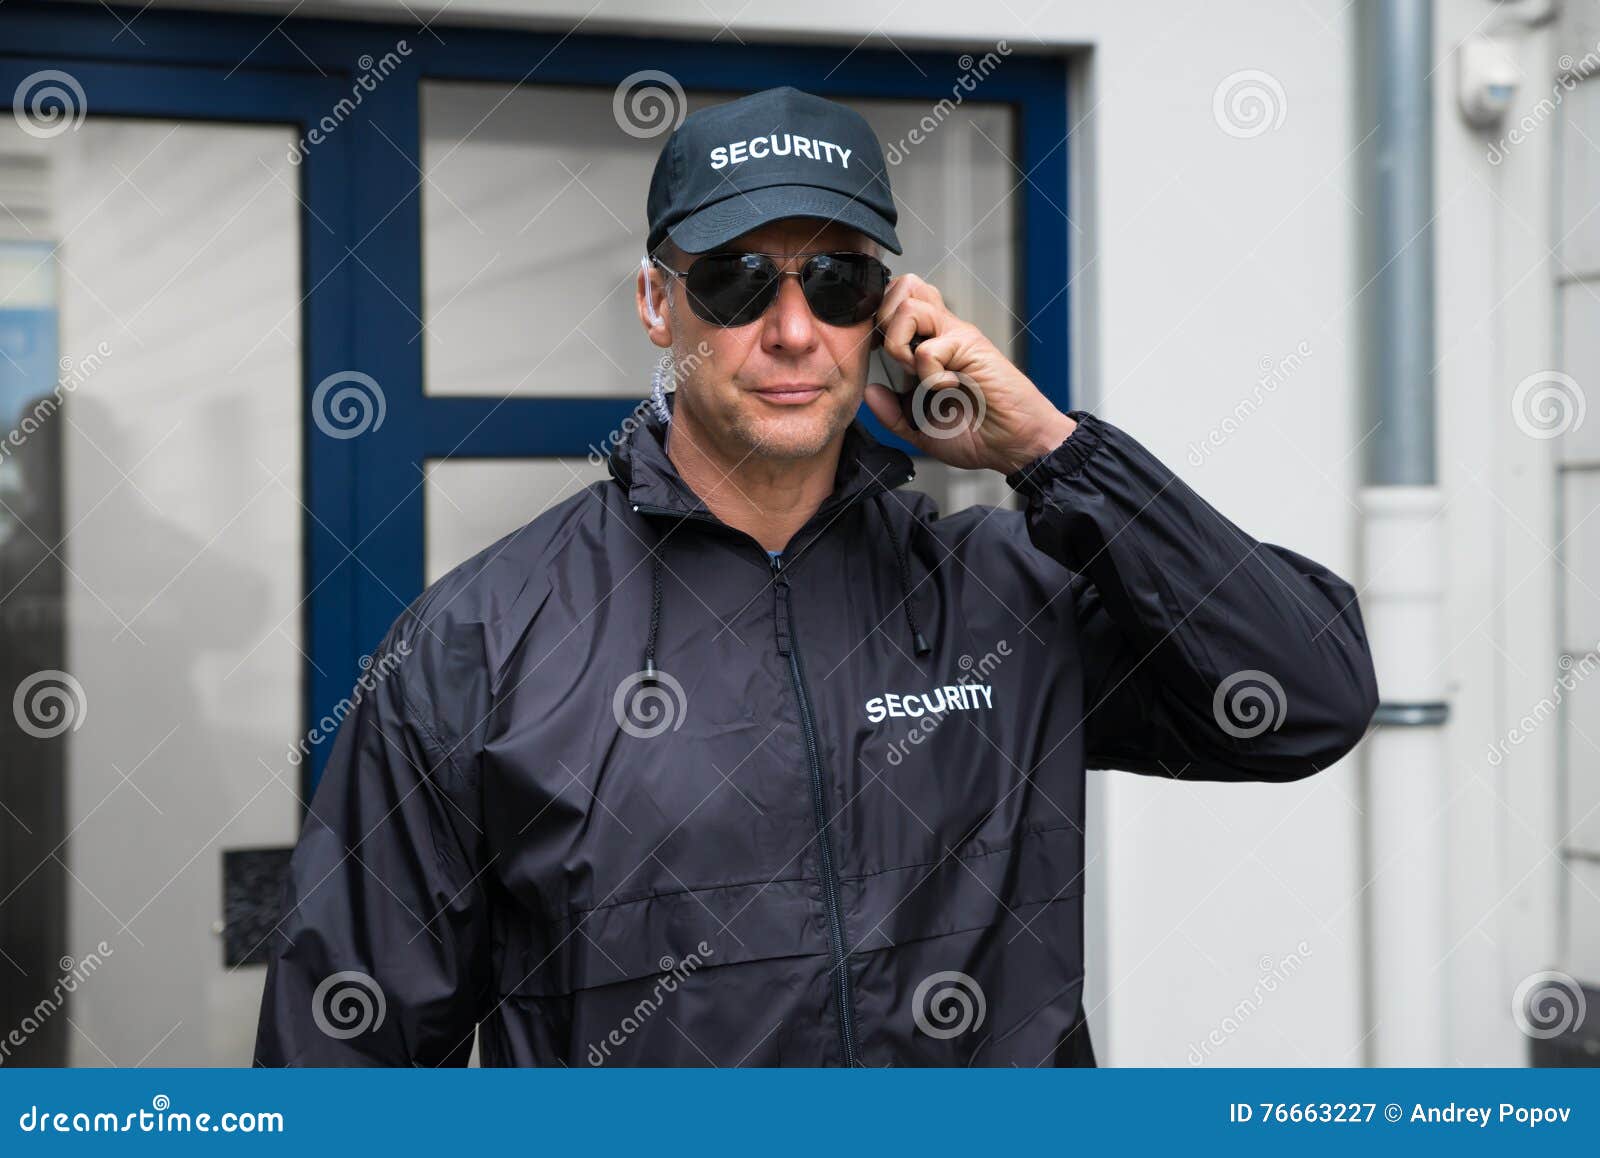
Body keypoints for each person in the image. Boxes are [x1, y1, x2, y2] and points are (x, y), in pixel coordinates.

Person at [254, 86, 1378, 1067]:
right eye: (738, 282)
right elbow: (344, 1059)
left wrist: (1055, 454)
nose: (792, 330)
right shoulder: (482, 642)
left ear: (887, 311)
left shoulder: (1001, 593)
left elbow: (1306, 698)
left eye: (837, 282)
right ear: (658, 304)